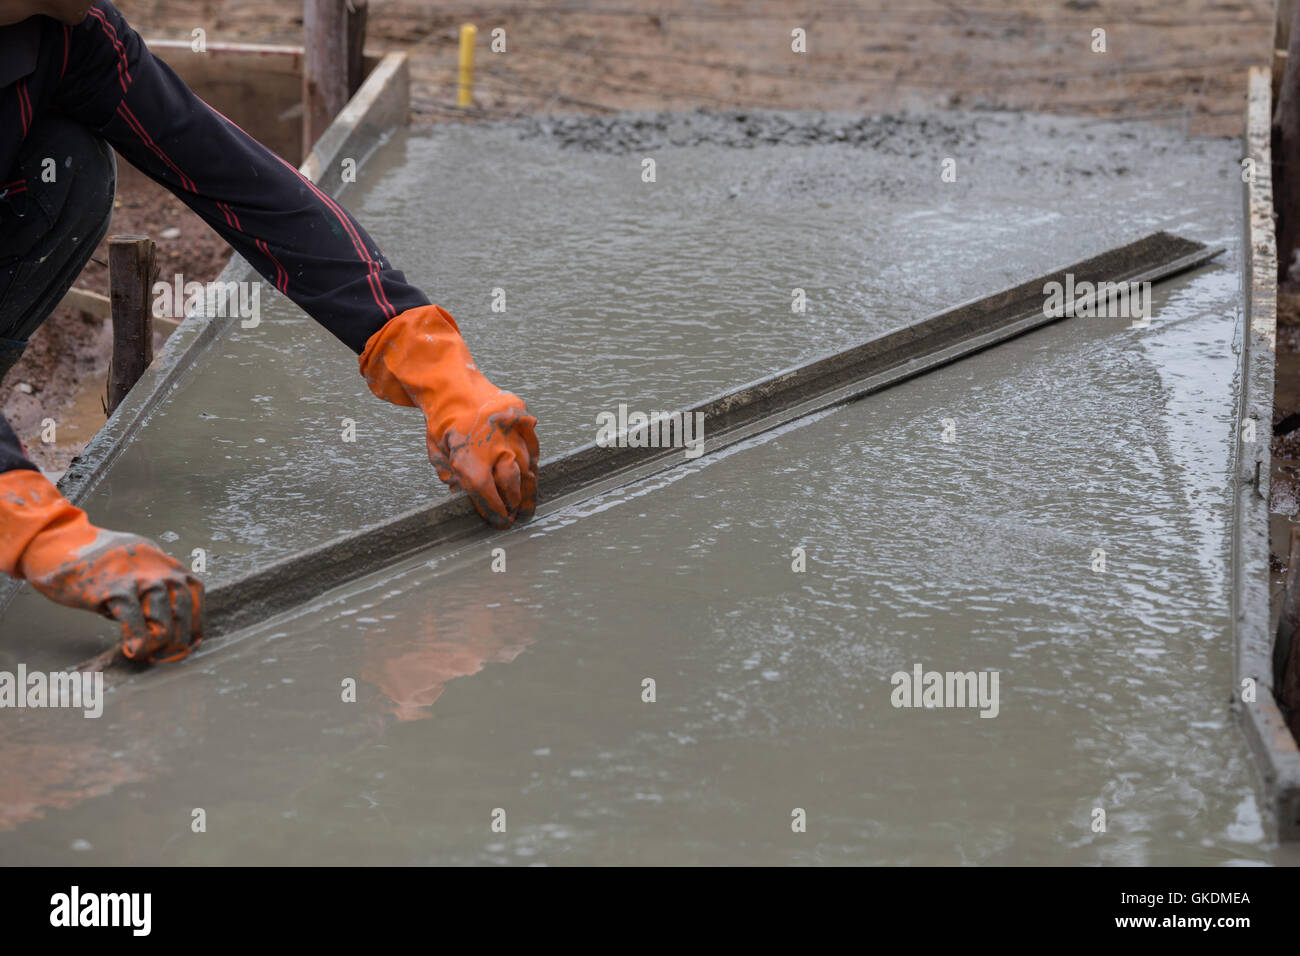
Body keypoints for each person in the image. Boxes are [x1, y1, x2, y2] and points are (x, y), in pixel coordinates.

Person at [0, 1, 539, 663]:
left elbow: (233, 178)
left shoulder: (62, 32)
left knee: (68, 167)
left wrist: (425, 353)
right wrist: (36, 530)